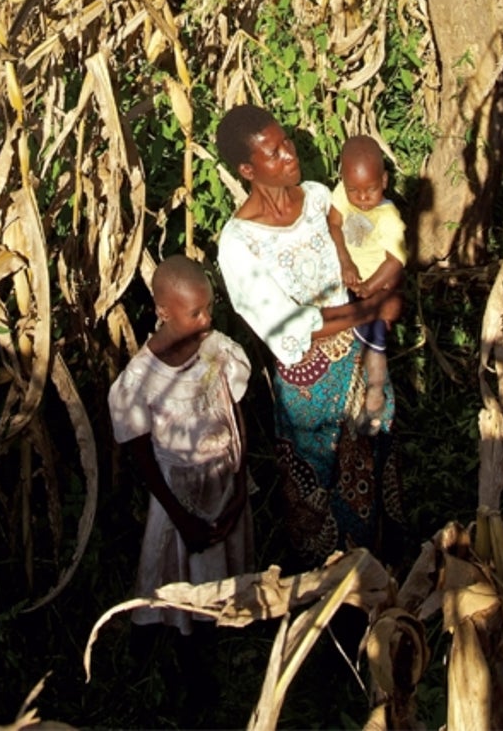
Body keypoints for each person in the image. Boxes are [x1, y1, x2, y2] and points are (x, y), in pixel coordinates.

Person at [215, 105, 405, 566]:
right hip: (309, 386)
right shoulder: (238, 244)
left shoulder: (321, 199)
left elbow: (372, 248)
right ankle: (331, 594)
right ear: (247, 170)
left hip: (362, 359)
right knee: (321, 493)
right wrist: (368, 311)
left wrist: (384, 288)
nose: (289, 155)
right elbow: (287, 327)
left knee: (375, 469)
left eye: (287, 143)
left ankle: (390, 582)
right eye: (274, 152)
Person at [107, 254, 254, 634]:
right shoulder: (141, 378)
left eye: (209, 308)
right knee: (185, 578)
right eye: (195, 313)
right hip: (177, 497)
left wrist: (240, 485)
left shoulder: (217, 350)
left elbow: (235, 414)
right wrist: (180, 517)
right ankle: (188, 643)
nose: (207, 320)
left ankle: (230, 627)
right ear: (163, 312)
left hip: (224, 479)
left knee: (228, 564)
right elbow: (142, 455)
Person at [330, 135, 406, 431]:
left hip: (374, 290)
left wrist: (369, 288)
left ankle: (375, 398)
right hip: (348, 282)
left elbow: (394, 262)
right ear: (344, 183)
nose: (362, 198)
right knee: (347, 343)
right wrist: (345, 262)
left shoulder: (388, 218)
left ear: (384, 181)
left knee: (374, 347)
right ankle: (348, 398)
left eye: (370, 189)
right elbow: (334, 224)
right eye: (354, 190)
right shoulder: (342, 194)